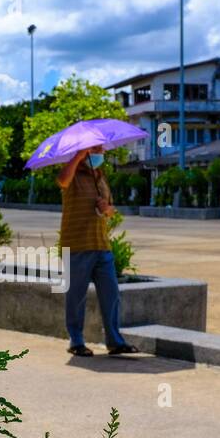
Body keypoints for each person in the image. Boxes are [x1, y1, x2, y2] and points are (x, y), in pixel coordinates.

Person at [56, 146, 140, 357]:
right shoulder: (72, 172)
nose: (100, 151)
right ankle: (76, 340)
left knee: (111, 294)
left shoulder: (101, 176)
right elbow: (62, 181)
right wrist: (77, 157)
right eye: (95, 148)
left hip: (102, 244)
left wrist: (107, 209)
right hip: (77, 245)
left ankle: (115, 340)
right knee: (76, 296)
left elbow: (110, 210)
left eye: (101, 148)